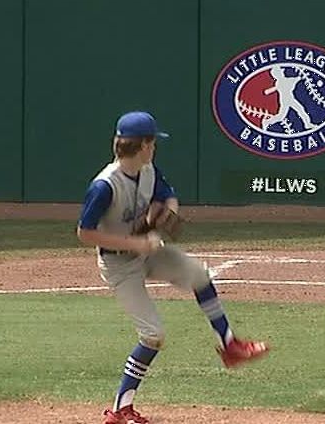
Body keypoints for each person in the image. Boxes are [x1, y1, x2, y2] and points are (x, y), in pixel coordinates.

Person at [76, 111, 269, 424]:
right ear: (144, 145)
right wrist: (136, 243)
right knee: (153, 335)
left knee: (198, 275)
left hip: (149, 252)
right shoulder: (105, 186)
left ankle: (229, 346)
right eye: (153, 142)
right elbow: (84, 233)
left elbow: (168, 198)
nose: (154, 148)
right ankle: (120, 409)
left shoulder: (148, 170)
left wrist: (165, 216)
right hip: (118, 264)